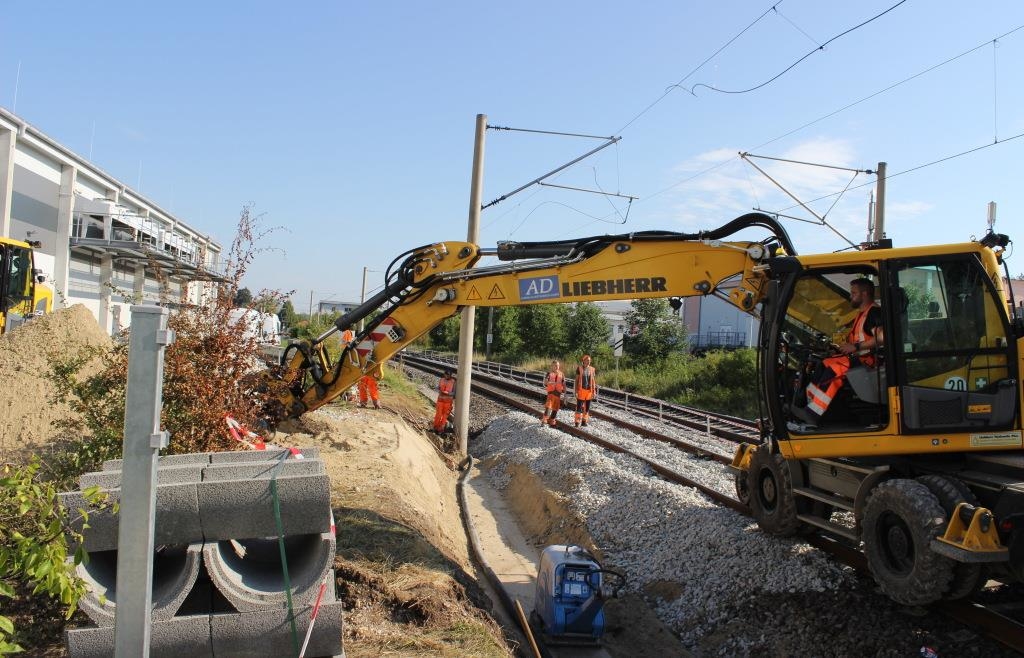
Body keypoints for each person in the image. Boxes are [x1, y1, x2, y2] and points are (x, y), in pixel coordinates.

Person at [803, 277, 884, 420]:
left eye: (854, 293)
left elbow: (882, 338)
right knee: (824, 363)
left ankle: (813, 415)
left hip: (868, 362)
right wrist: (839, 346)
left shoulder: (874, 313)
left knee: (833, 370)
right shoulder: (861, 314)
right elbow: (857, 337)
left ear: (864, 294)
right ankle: (809, 404)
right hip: (858, 358)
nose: (850, 296)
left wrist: (855, 346)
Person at [574, 355, 598, 427]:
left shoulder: (592, 369)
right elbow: (576, 380)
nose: (588, 362)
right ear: (583, 361)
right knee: (579, 407)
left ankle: (584, 422)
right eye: (587, 360)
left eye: (589, 360)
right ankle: (577, 422)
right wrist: (576, 391)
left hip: (589, 391)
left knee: (587, 408)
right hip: (581, 391)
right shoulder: (579, 368)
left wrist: (594, 391)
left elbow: (593, 381)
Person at [540, 360, 566, 426]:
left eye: (558, 365)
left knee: (555, 408)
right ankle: (544, 420)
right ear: (552, 366)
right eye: (555, 365)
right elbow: (545, 382)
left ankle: (551, 420)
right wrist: (551, 383)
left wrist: (565, 395)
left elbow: (564, 385)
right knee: (548, 406)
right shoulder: (549, 373)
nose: (557, 367)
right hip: (551, 392)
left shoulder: (562, 374)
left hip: (558, 393)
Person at [433, 369, 456, 433]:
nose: (446, 376)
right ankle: (435, 427)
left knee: (444, 417)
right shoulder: (441, 380)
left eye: (447, 375)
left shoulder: (453, 382)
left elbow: (454, 393)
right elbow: (438, 387)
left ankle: (441, 429)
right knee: (438, 415)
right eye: (445, 375)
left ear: (450, 376)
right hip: (440, 400)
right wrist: (438, 389)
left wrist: (447, 393)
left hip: (448, 402)